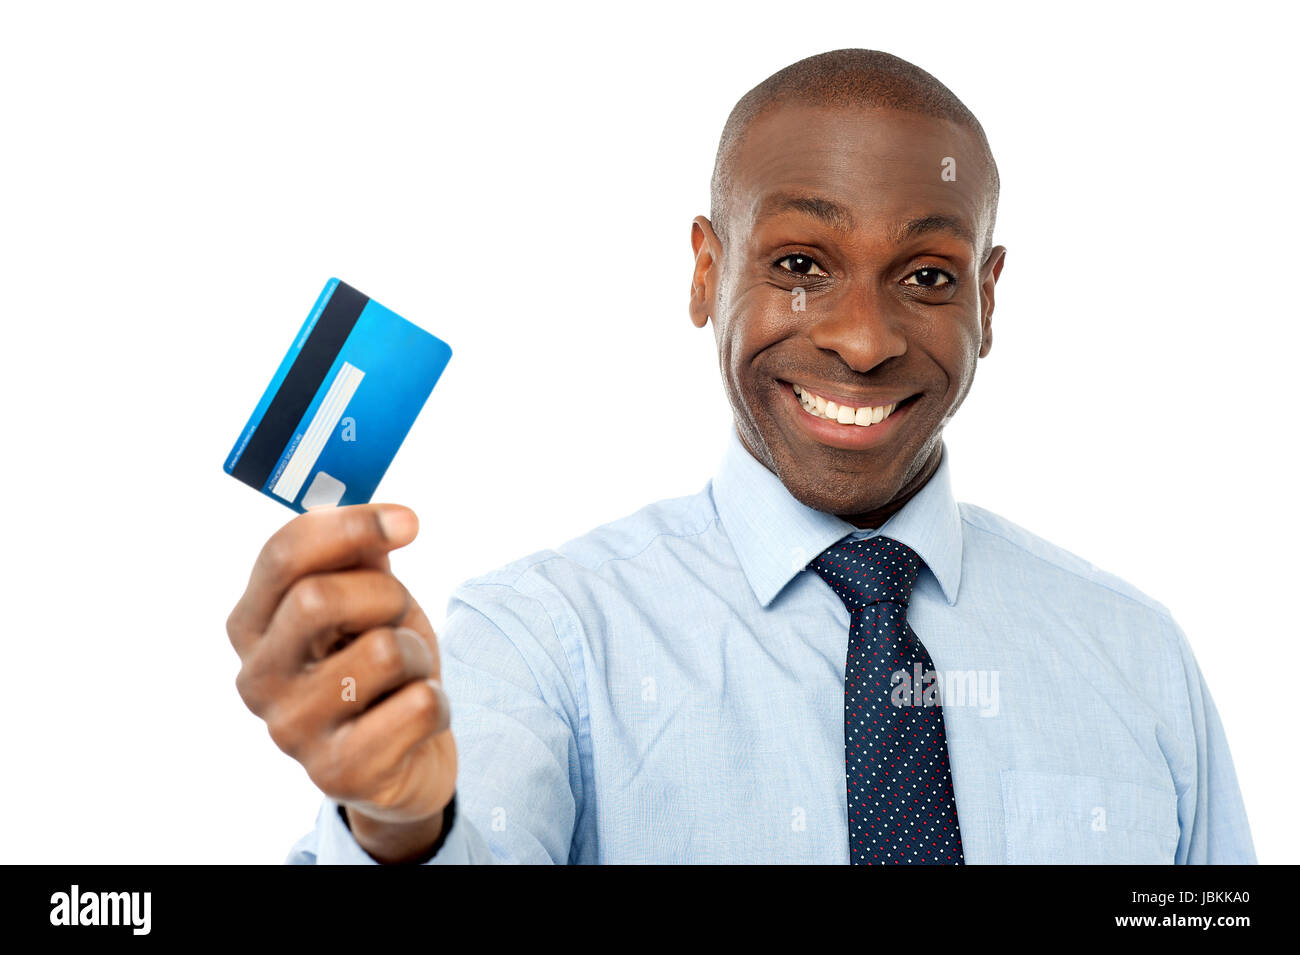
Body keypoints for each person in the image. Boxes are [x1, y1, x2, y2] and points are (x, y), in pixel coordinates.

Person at [225, 49, 1256, 864]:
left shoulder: (1137, 658)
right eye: (800, 264)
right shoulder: (545, 640)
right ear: (705, 273)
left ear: (988, 299)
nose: (861, 339)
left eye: (928, 276)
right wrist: (404, 832)